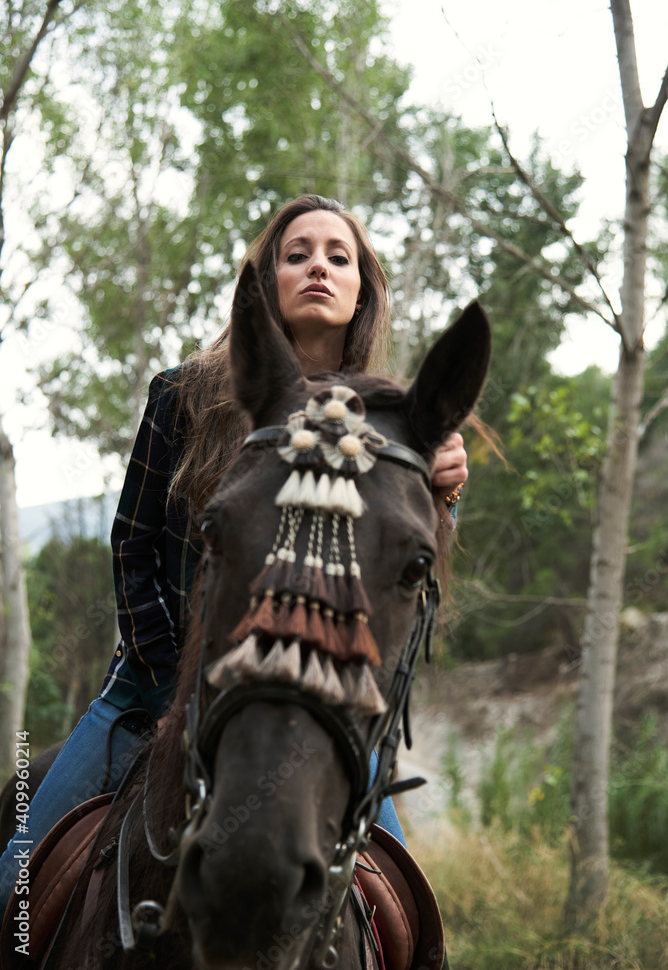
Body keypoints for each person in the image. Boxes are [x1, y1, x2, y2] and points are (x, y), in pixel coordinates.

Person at [0, 195, 467, 914]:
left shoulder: (390, 427)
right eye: (297, 253)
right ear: (267, 279)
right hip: (155, 687)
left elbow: (402, 563)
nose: (318, 266)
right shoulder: (182, 396)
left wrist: (442, 496)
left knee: (402, 913)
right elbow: (133, 543)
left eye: (338, 257)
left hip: (323, 695)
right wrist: (167, 681)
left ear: (362, 292)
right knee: (16, 885)